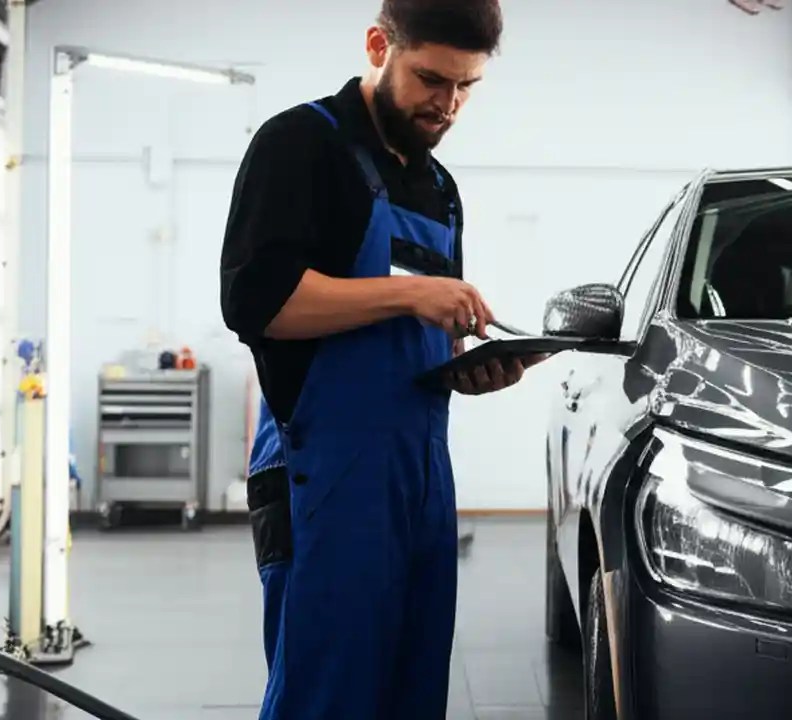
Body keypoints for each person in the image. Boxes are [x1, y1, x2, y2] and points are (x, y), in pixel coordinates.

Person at [218, 1, 536, 716]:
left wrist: (476, 369)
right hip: (322, 472)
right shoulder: (302, 144)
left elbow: (432, 335)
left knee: (413, 683)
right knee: (326, 689)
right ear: (377, 46)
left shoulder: (440, 190)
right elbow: (258, 304)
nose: (447, 105)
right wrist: (410, 297)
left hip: (420, 469)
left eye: (466, 87)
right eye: (431, 79)